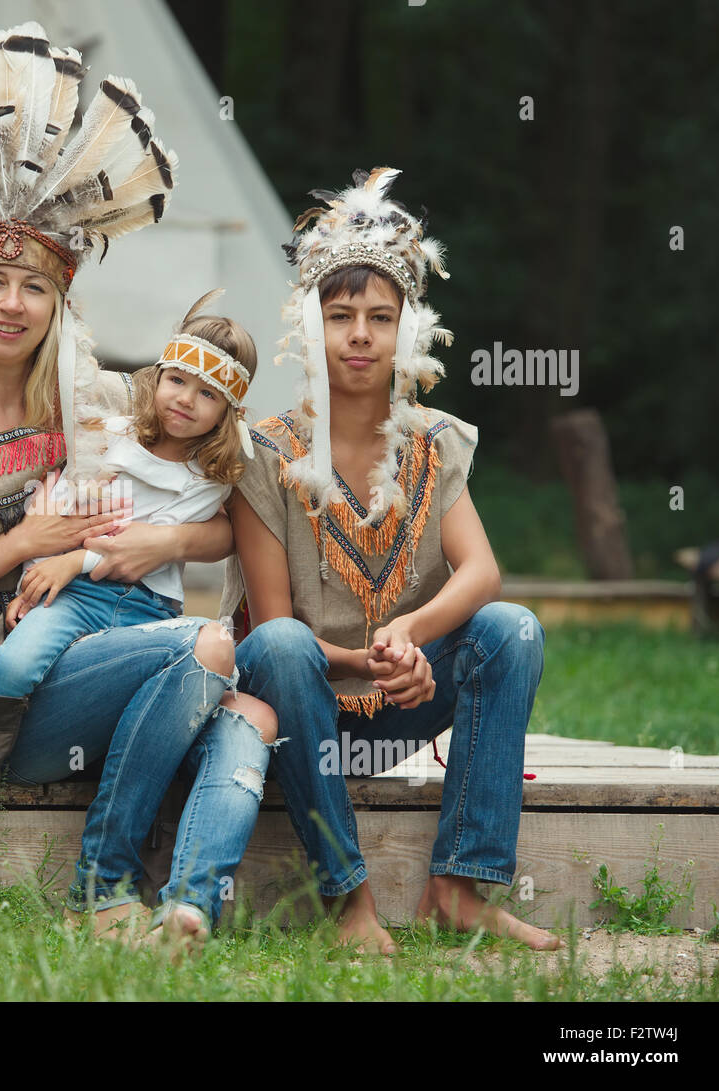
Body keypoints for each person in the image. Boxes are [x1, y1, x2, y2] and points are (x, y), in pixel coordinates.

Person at [0, 22, 260, 943]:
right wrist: (22, 546)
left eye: (34, 287)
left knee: (244, 710)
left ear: (61, 303)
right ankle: (107, 883)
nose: (11, 303)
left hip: (108, 652)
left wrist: (165, 541)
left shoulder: (106, 406)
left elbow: (231, 505)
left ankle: (191, 903)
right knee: (205, 651)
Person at [220, 168, 559, 953]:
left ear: (408, 330)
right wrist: (367, 662)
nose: (361, 335)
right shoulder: (265, 452)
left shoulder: (433, 440)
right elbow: (274, 626)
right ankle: (349, 900)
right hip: (306, 709)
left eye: (380, 316)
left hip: (412, 691)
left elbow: (482, 573)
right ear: (310, 328)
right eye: (340, 317)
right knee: (277, 645)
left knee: (511, 629)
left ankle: (460, 886)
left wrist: (409, 632)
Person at [0, 290, 277, 847]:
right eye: (177, 380)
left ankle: (152, 832)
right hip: (74, 596)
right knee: (15, 664)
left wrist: (74, 558)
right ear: (156, 377)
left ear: (228, 411)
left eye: (208, 394)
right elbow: (54, 512)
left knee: (160, 695)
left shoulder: (212, 480)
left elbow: (133, 545)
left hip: (146, 607)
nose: (184, 400)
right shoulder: (108, 441)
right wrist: (36, 578)